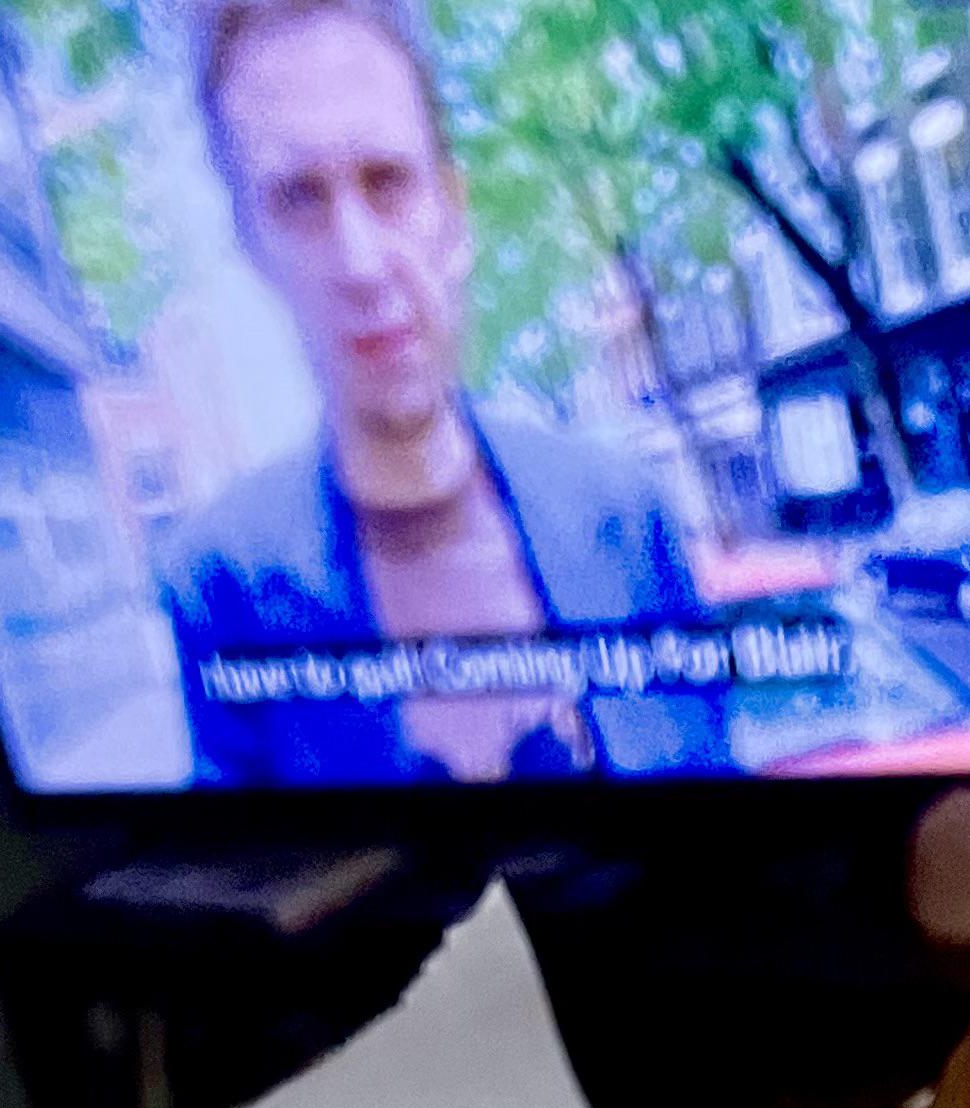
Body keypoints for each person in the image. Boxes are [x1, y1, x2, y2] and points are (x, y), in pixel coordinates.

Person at [159, 0, 728, 784]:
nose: (359, 262)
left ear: (451, 209)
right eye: (298, 198)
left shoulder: (627, 515)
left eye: (386, 182)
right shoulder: (217, 585)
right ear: (251, 246)